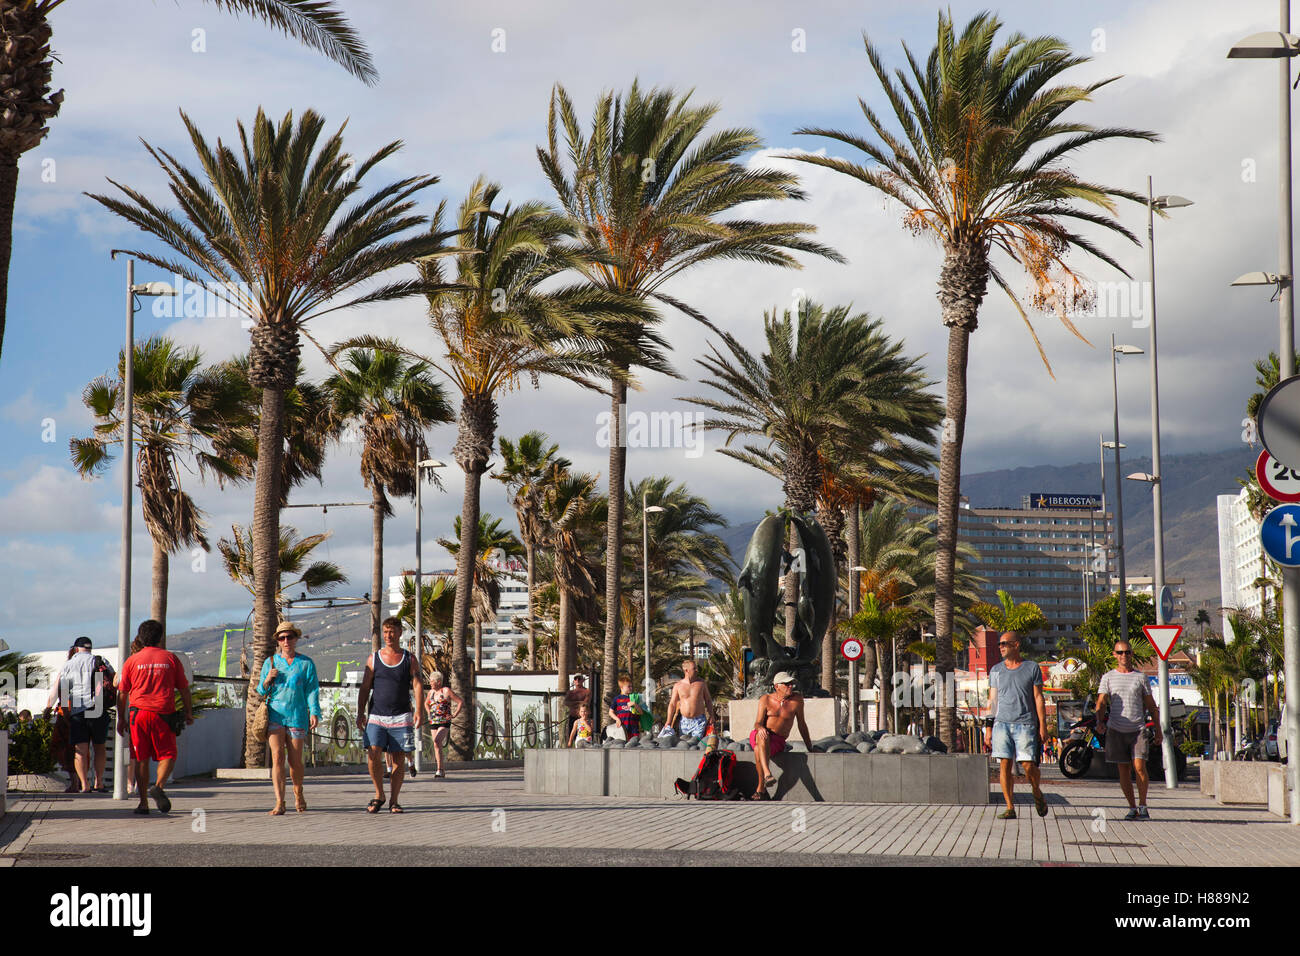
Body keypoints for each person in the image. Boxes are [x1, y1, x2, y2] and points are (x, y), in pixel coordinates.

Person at [116, 620, 192, 815]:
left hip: (138, 715)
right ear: (160, 637)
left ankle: (143, 804)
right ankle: (158, 786)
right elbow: (184, 689)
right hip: (163, 714)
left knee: (141, 759)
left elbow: (122, 693)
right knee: (168, 755)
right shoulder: (170, 658)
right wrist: (189, 712)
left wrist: (121, 718)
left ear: (141, 637)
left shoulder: (132, 661)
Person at [356, 617, 424, 813]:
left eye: (392, 631)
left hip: (401, 716)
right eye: (385, 632)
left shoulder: (409, 659)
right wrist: (361, 712)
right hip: (377, 715)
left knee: (398, 759)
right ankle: (379, 794)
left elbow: (417, 685)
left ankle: (394, 800)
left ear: (400, 633)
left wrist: (419, 710)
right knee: (373, 753)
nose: (388, 635)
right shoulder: (373, 658)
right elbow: (365, 687)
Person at [257, 621, 321, 815]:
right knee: (277, 757)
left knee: (295, 761)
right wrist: (268, 679)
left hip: (297, 716)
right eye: (282, 638)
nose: (286, 641)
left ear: (296, 639)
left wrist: (314, 711)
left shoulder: (306, 664)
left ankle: (298, 792)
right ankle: (279, 801)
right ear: (277, 641)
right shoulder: (271, 662)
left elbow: (312, 690)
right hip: (275, 714)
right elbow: (260, 689)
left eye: (289, 637)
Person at [983, 631, 1048, 819]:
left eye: (1005, 643)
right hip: (1001, 724)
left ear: (1016, 645)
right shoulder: (996, 670)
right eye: (999, 644)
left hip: (1025, 724)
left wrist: (1042, 725)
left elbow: (1038, 697)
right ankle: (1010, 807)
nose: (1001, 647)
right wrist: (988, 727)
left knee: (1028, 765)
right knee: (1004, 764)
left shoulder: (1031, 667)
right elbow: (992, 699)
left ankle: (1036, 790)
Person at [1096, 639, 1163, 821]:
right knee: (1123, 770)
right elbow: (1101, 701)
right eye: (1120, 652)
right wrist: (1099, 720)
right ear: (1114, 655)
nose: (1124, 656)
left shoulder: (1140, 677)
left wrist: (1158, 729)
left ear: (1132, 654)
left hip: (1137, 728)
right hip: (1116, 730)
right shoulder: (1108, 677)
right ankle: (1132, 807)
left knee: (1140, 767)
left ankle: (1143, 805)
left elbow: (1150, 704)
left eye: (1127, 652)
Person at [46, 636, 114, 794]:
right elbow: (114, 679)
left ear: (76, 649)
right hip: (98, 708)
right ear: (90, 648)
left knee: (80, 750)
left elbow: (63, 689)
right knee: (100, 748)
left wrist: (66, 712)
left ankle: (84, 785)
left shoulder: (69, 664)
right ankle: (99, 782)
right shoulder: (99, 660)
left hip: (78, 711)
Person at [749, 672, 814, 799]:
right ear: (777, 686)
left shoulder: (797, 700)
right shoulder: (766, 699)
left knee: (758, 749)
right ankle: (767, 774)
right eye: (787, 684)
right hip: (762, 734)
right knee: (762, 735)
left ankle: (761, 789)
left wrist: (809, 746)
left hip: (777, 741)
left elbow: (802, 724)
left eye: (791, 684)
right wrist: (761, 727)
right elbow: (757, 723)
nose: (791, 686)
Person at [664, 658, 714, 739]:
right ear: (686, 670)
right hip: (684, 721)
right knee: (684, 745)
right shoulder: (678, 685)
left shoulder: (701, 683)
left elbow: (708, 700)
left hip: (699, 720)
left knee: (696, 743)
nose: (697, 670)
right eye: (694, 668)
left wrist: (711, 715)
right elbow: (672, 704)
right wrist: (668, 721)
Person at [425, 671, 462, 778]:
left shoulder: (446, 691)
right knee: (437, 746)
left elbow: (460, 701)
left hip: (444, 721)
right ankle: (440, 769)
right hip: (433, 722)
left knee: (437, 741)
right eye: (430, 681)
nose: (430, 683)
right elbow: (426, 703)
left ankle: (440, 769)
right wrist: (429, 712)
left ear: (438, 682)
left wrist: (454, 714)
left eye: (432, 681)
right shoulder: (430, 692)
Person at [608, 672, 641, 741]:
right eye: (629, 686)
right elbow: (610, 712)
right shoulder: (617, 699)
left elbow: (641, 712)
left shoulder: (634, 697)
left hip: (634, 728)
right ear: (622, 687)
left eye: (631, 686)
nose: (631, 688)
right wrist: (617, 719)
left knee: (634, 746)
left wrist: (635, 704)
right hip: (622, 728)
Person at [564, 674, 590, 743]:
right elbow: (566, 702)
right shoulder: (570, 692)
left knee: (585, 736)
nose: (577, 680)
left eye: (579, 678)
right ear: (574, 681)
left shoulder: (587, 691)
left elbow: (586, 703)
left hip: (584, 719)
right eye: (576, 679)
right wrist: (579, 703)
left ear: (583, 680)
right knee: (571, 736)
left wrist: (573, 703)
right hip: (573, 718)